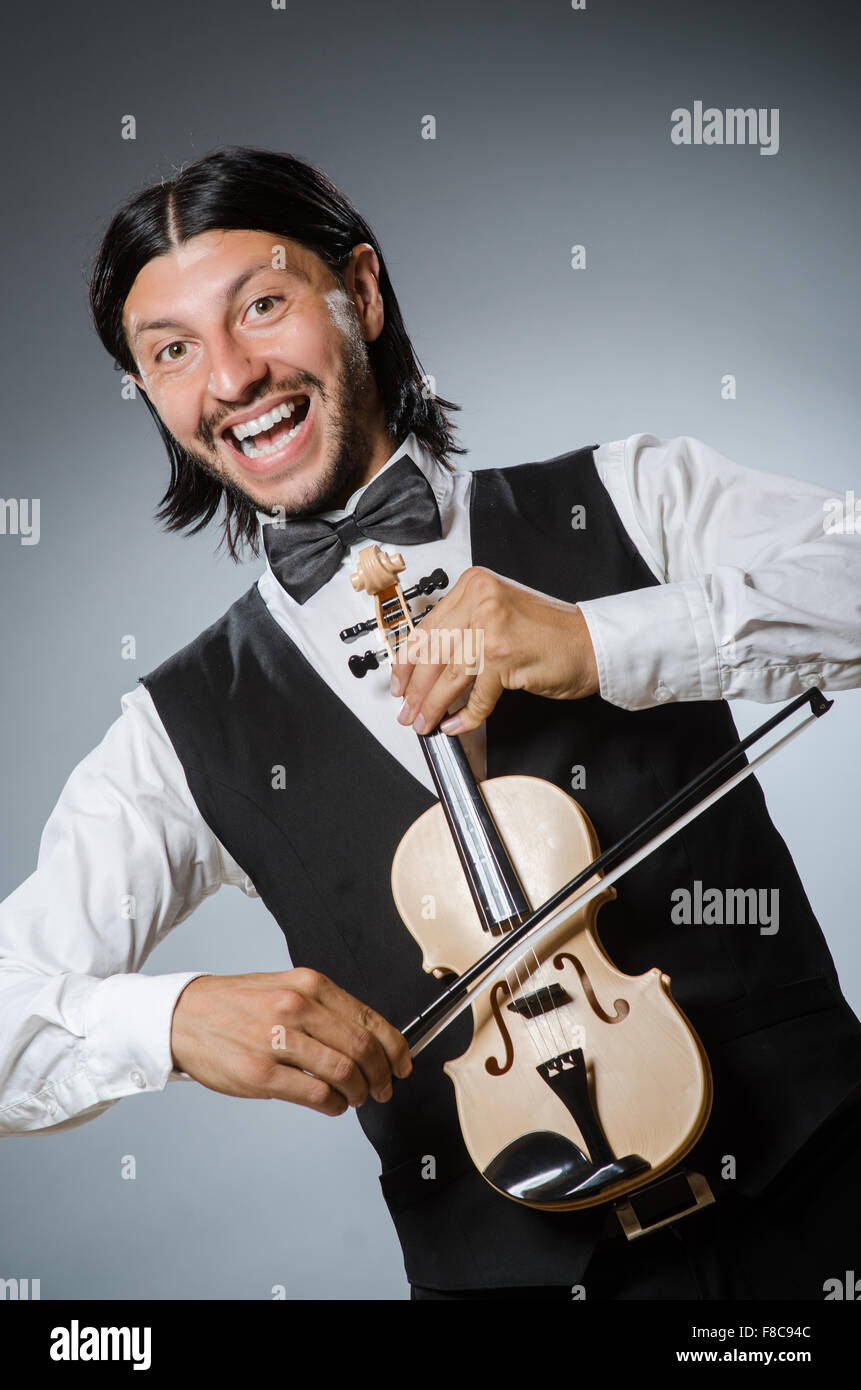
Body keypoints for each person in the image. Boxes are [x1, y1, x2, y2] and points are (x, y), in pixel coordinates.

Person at [2, 145, 860, 1301]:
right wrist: (168, 1020)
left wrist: (603, 641)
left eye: (262, 305)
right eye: (172, 351)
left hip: (827, 1213)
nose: (233, 377)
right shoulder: (171, 735)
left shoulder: (635, 495)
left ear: (359, 291)